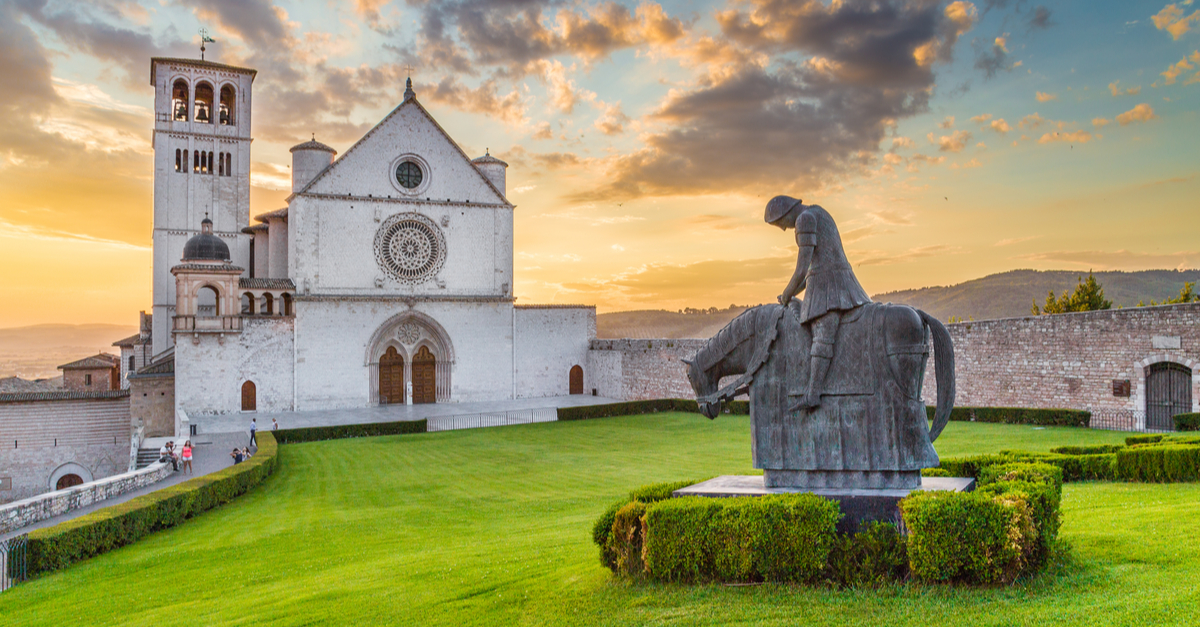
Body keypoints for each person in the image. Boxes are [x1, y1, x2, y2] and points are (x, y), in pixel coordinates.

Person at [765, 195, 872, 410]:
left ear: (785, 214)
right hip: (828, 281)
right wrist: (790, 293)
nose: (784, 229)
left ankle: (813, 393)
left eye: (780, 224)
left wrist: (786, 294)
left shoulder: (804, 219)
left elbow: (802, 269)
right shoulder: (816, 211)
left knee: (822, 334)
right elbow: (811, 272)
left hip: (831, 286)